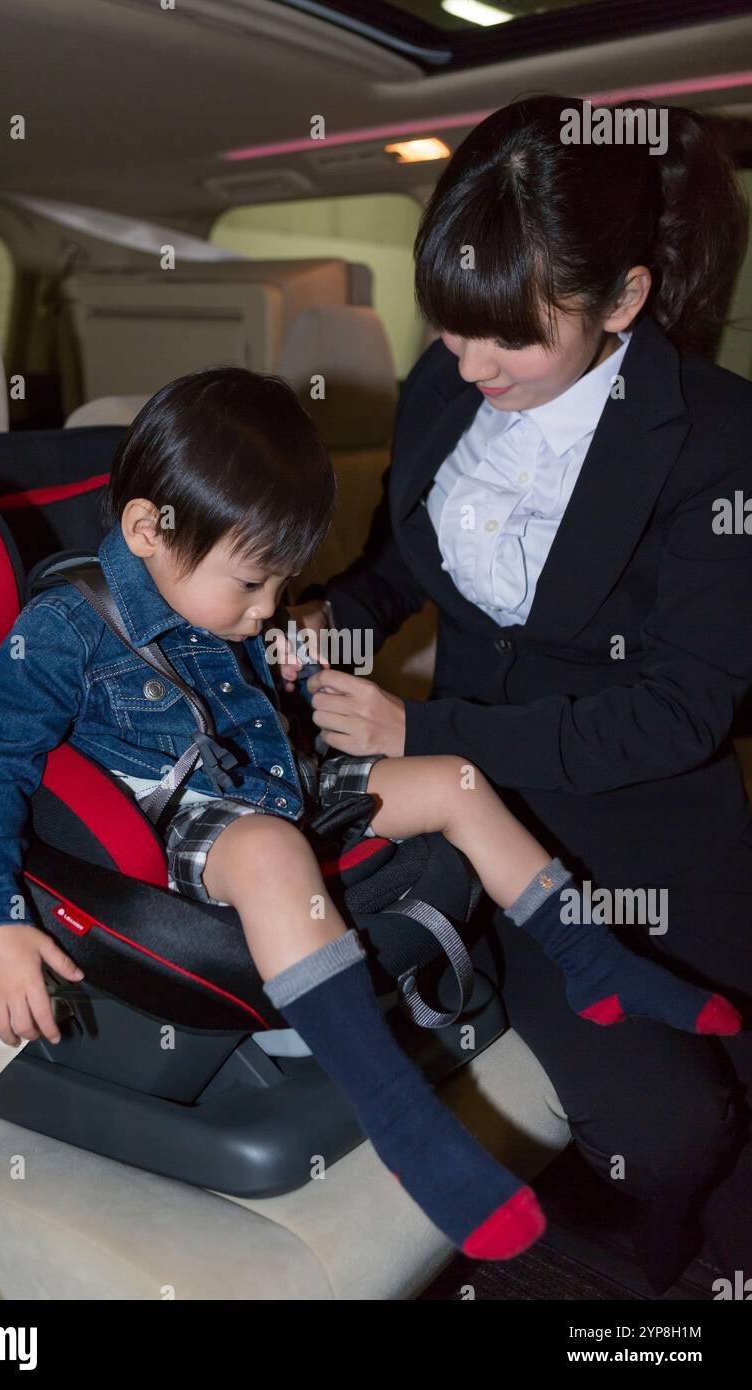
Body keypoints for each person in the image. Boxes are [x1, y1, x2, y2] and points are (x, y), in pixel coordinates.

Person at [0, 367, 740, 1266]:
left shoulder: (214, 601)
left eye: (280, 583)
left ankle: (595, 963)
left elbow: (253, 685)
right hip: (184, 827)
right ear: (146, 530)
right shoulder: (64, 631)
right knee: (274, 853)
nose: (268, 605)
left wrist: (279, 671)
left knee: (457, 781)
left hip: (272, 787)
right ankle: (401, 1123)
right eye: (252, 584)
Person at [289, 95, 752, 1284]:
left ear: (622, 302)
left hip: (623, 837)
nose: (469, 366)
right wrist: (330, 624)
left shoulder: (718, 441)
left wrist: (425, 727)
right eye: (449, 330)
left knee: (680, 1130)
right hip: (455, 808)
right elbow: (408, 558)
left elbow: (681, 711)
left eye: (506, 342)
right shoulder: (447, 386)